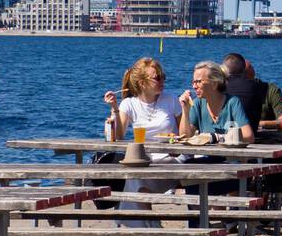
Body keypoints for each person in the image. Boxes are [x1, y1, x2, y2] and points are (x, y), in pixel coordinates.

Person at [103, 57, 183, 216]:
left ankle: (145, 226)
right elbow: (118, 136)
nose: (162, 81)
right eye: (157, 78)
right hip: (145, 160)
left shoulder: (171, 99)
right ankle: (149, 225)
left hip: (171, 159)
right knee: (135, 178)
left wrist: (176, 138)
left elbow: (185, 134)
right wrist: (114, 109)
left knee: (134, 180)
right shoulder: (129, 104)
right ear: (142, 83)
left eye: (163, 77)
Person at [179, 61, 254, 142]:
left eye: (199, 82)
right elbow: (185, 137)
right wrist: (185, 110)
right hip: (203, 154)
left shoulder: (232, 102)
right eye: (193, 82)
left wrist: (218, 137)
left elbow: (249, 136)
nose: (194, 86)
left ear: (214, 84)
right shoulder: (197, 104)